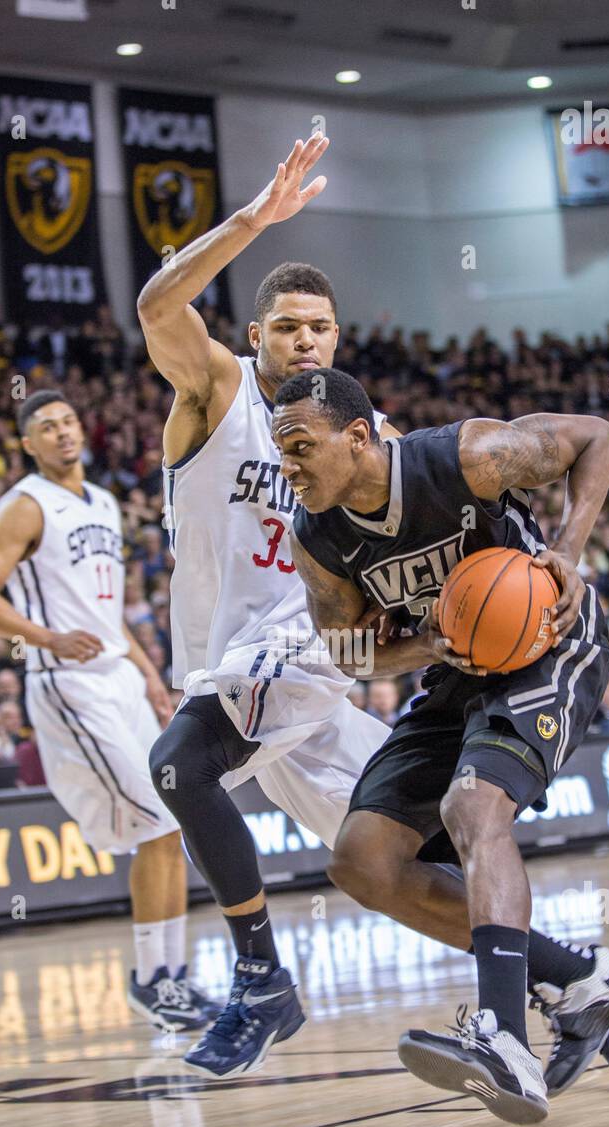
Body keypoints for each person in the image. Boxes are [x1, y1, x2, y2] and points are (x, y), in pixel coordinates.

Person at [280, 366, 609, 1126]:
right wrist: (423, 648)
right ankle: (580, 979)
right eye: (281, 451)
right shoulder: (317, 536)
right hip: (454, 674)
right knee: (361, 859)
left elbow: (596, 436)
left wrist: (569, 551)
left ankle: (505, 1039)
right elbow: (348, 652)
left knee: (473, 806)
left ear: (356, 436)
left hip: (548, 645)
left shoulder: (462, 458)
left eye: (300, 446)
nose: (289, 466)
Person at [138, 133, 394, 1078]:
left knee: (179, 766)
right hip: (231, 659)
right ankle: (566, 979)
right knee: (389, 859)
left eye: (321, 328)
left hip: (300, 658)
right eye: (288, 326)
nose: (306, 341)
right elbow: (158, 305)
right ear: (255, 337)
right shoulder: (217, 391)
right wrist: (254, 220)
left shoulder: (362, 437)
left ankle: (260, 980)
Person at [0, 390, 213, 1034]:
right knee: (157, 822)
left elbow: (109, 613)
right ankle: (153, 981)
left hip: (121, 679)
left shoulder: (102, 501)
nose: (63, 433)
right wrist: (44, 638)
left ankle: (171, 978)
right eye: (46, 427)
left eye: (69, 421)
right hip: (68, 684)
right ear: (28, 443)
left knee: (169, 827)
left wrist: (153, 677)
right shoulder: (23, 505)